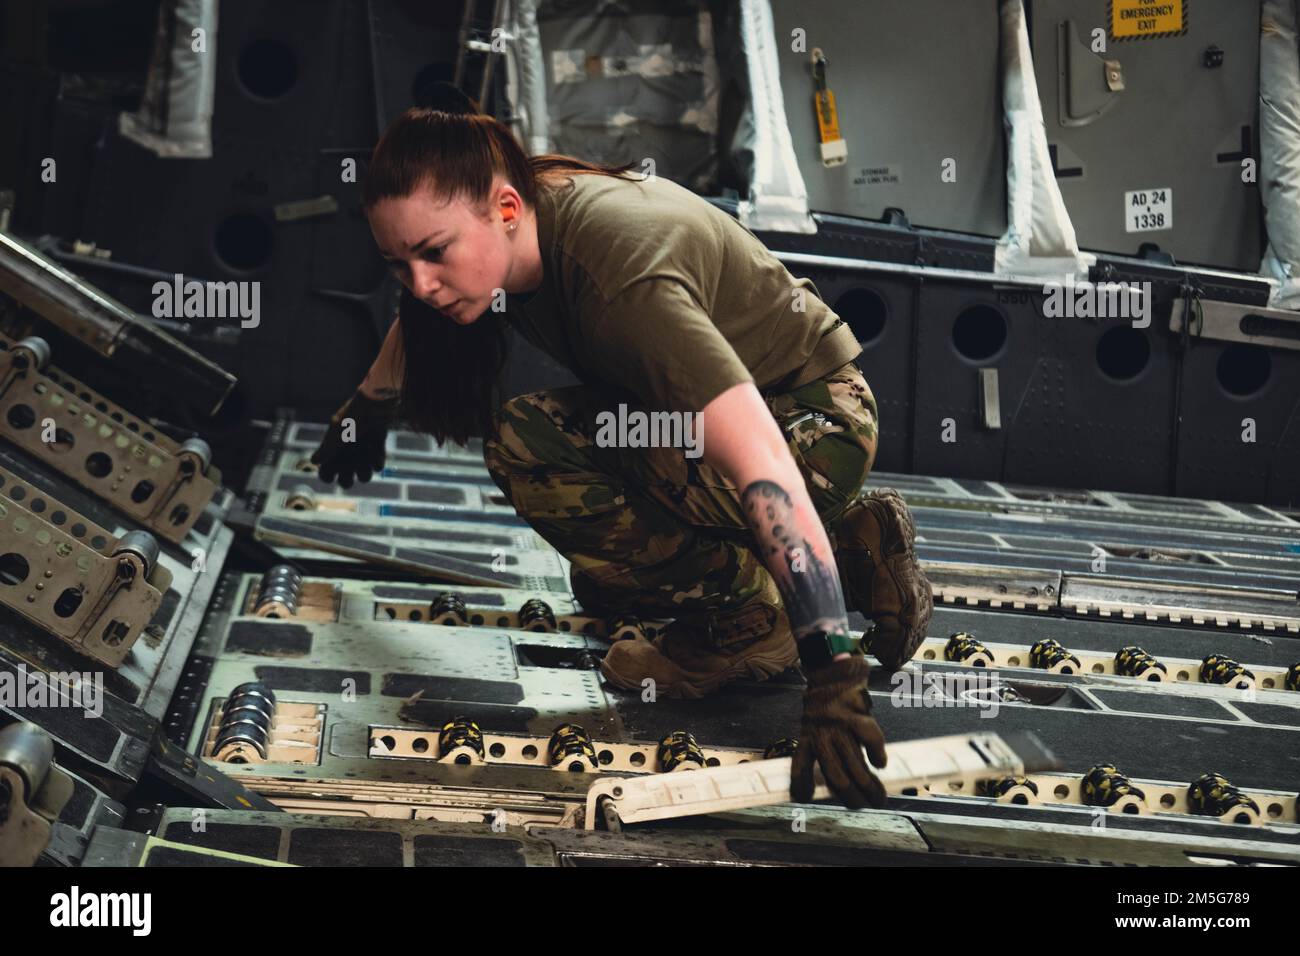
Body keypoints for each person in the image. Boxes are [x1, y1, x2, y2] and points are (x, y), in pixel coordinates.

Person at [310, 85, 934, 810]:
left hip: (809, 424)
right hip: (759, 412)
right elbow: (422, 308)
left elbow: (759, 460)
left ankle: (749, 621)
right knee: (609, 582)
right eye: (398, 264)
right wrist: (369, 403)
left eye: (434, 254)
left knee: (527, 447)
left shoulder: (620, 278)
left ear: (505, 209)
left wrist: (833, 668)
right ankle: (849, 552)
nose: (420, 285)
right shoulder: (517, 212)